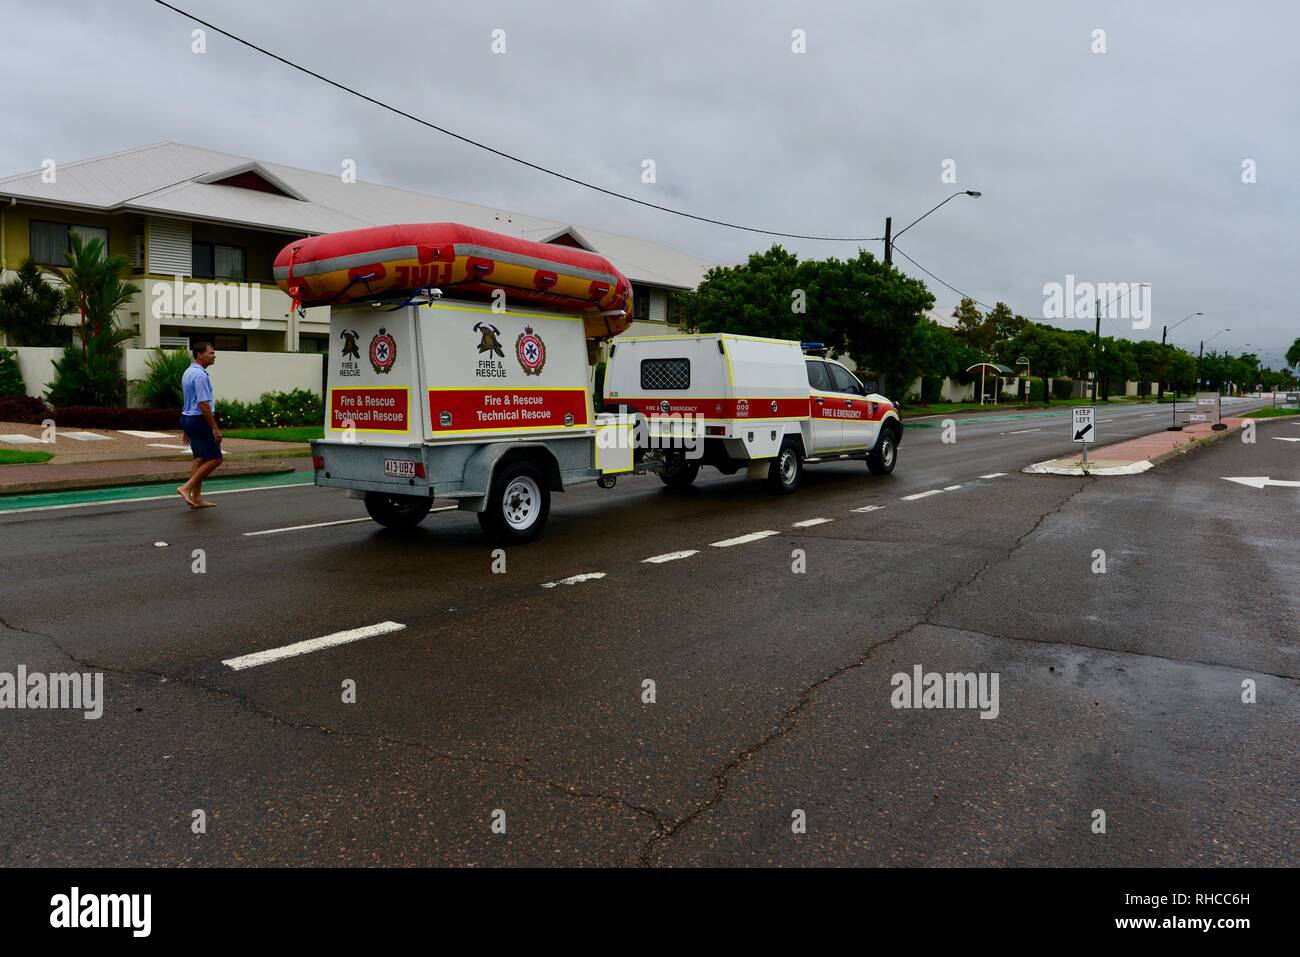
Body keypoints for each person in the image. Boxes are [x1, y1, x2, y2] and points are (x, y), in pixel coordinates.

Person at [178, 342, 222, 508]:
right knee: (216, 458)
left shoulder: (188, 372)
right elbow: (203, 404)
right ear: (199, 355)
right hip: (199, 420)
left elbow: (188, 400)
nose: (214, 356)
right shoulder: (201, 376)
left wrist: (186, 429)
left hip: (189, 419)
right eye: (211, 353)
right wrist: (214, 428)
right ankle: (186, 488)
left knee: (200, 458)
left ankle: (196, 498)